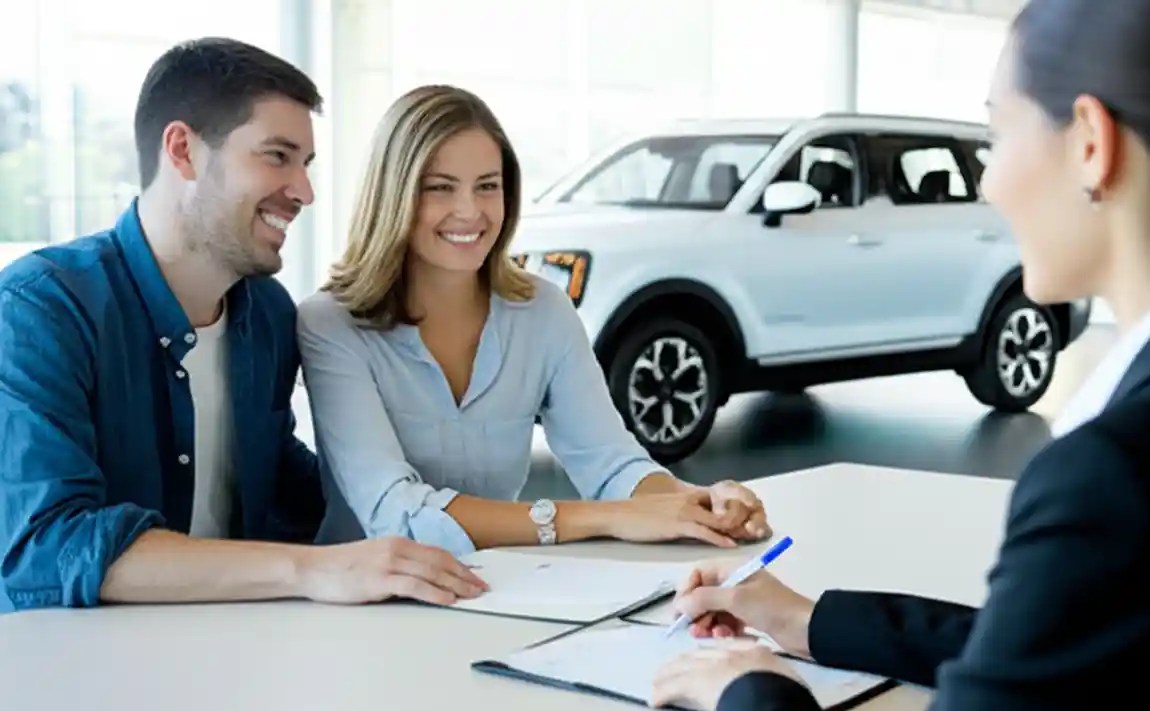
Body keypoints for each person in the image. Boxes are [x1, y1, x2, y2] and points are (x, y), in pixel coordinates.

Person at [649, 0, 1150, 711]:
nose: (988, 183)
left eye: (997, 134)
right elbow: (1070, 638)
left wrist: (754, 694)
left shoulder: (1120, 472)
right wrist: (808, 620)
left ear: (1090, 145)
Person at [0, 38, 487, 614]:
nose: (304, 191)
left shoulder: (269, 314)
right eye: (277, 156)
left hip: (238, 650)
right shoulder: (43, 309)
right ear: (183, 151)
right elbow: (48, 547)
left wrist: (414, 517)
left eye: (305, 165)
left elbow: (287, 490)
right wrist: (315, 569)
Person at [297, 84, 770, 558]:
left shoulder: (543, 310)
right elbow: (396, 515)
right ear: (392, 194)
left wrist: (697, 504)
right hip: (364, 608)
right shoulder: (331, 325)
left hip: (501, 589)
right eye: (440, 188)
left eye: (487, 186)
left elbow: (610, 464)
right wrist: (602, 518)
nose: (471, 211)